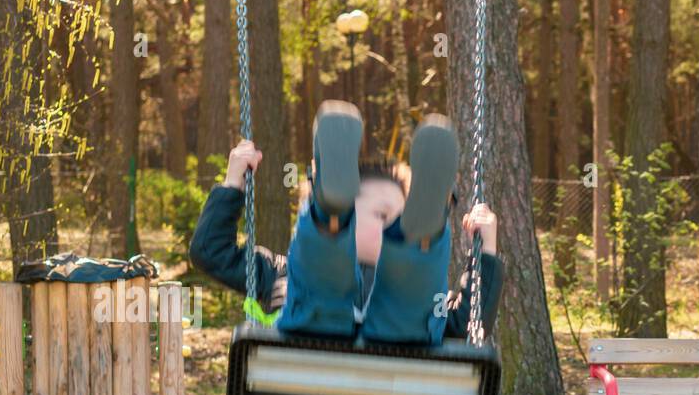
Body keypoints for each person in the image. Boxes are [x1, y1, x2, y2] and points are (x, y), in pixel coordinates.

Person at [190, 102, 502, 343]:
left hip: (396, 341)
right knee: (317, 273)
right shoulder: (281, 273)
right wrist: (234, 183)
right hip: (314, 341)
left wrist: (485, 252)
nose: (388, 229)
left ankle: (423, 239)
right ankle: (331, 220)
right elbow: (211, 252)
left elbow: (471, 322)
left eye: (398, 222)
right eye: (380, 216)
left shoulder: (428, 297)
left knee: (414, 289)